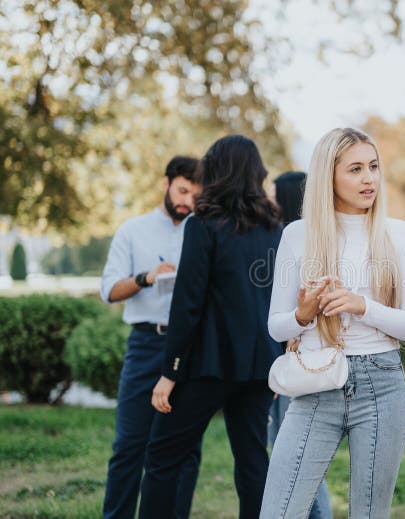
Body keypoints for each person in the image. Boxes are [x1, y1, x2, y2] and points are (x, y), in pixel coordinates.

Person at [261, 128, 405, 518]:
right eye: (355, 169)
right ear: (328, 176)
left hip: (382, 385)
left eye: (373, 167)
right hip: (316, 384)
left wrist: (361, 305)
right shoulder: (297, 235)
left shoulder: (400, 235)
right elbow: (276, 327)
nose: (369, 178)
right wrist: (303, 314)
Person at [138, 135, 284, 518]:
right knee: (253, 461)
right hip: (260, 368)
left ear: (217, 172)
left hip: (209, 366)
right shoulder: (275, 228)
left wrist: (169, 373)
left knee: (162, 455)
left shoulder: (203, 225)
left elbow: (188, 305)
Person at [100, 156, 203, 519]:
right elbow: (110, 290)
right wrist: (146, 277)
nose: (186, 201)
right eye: (182, 190)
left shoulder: (204, 231)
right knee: (129, 444)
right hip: (145, 345)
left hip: (190, 349)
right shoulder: (133, 230)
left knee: (185, 449)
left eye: (195, 194)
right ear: (166, 184)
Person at [268, 170, 333, 519]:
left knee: (293, 453)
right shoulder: (313, 238)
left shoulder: (292, 239)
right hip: (306, 358)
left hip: (299, 361)